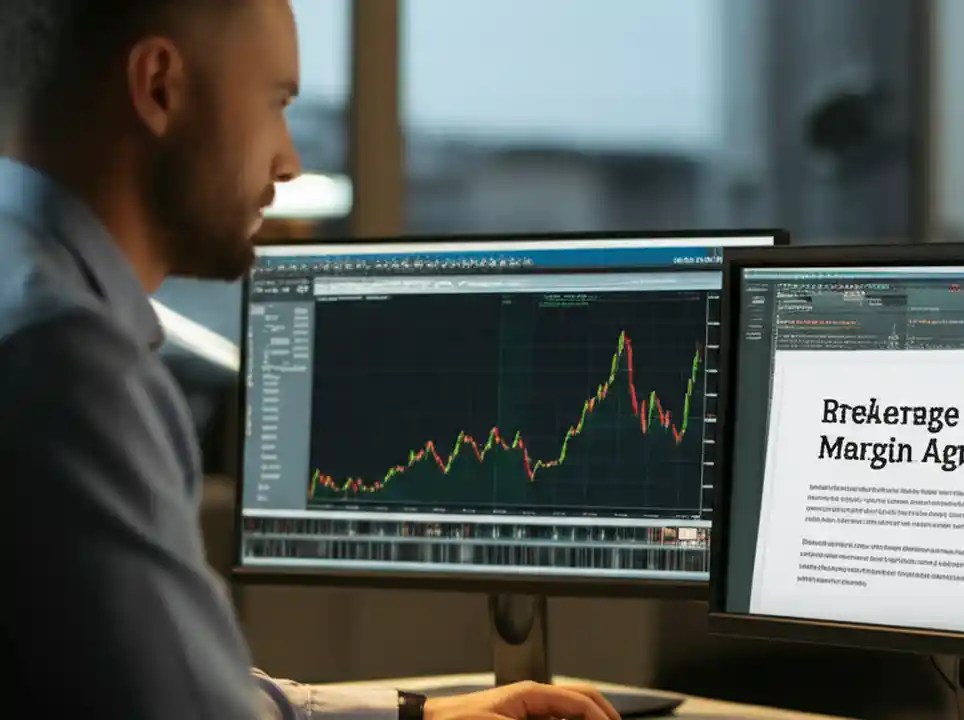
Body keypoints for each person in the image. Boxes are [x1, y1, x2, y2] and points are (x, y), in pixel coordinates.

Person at [0, 2, 621, 719]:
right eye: (275, 103)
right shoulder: (65, 363)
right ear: (160, 86)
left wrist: (414, 716)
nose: (289, 162)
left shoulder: (31, 303)